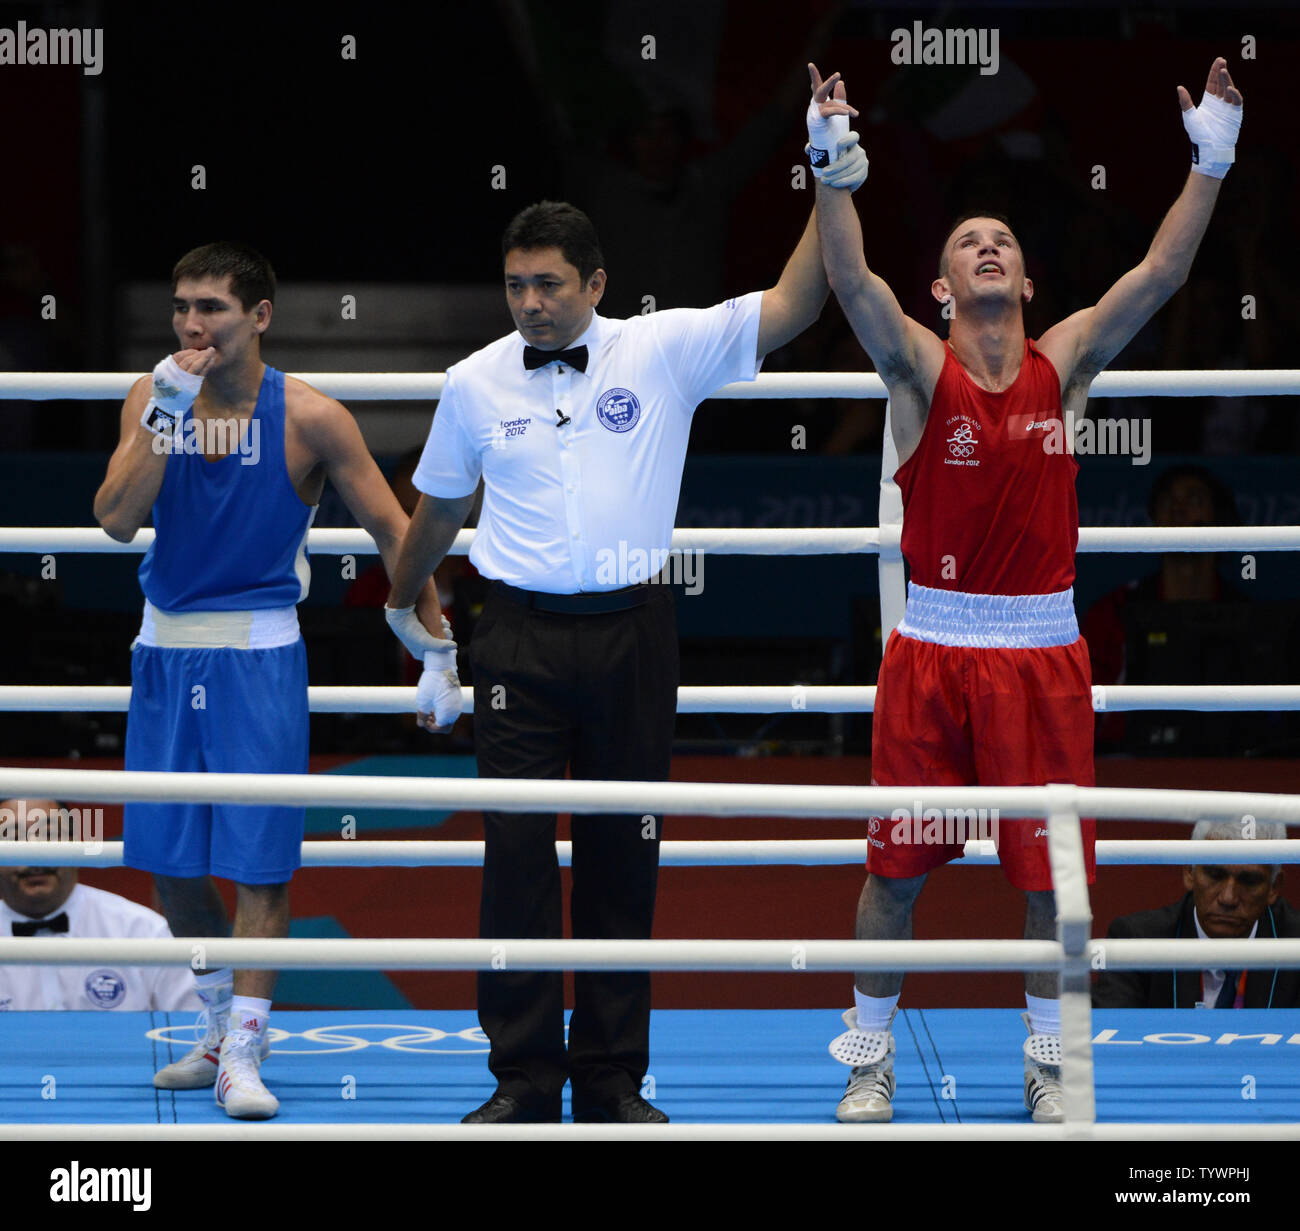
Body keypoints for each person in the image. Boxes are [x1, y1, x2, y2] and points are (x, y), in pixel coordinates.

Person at [813, 57, 1244, 1122]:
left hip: (1042, 653)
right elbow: (851, 285)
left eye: (1002, 239)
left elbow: (1162, 272)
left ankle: (1049, 1061)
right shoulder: (918, 367)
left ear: (1029, 280)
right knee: (896, 872)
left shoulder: (1069, 360)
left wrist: (1212, 158)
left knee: (1049, 883)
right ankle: (867, 1057)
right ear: (944, 287)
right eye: (968, 242)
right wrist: (831, 168)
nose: (989, 246)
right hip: (934, 651)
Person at [384, 141, 847, 1122]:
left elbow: (797, 302)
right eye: (515, 286)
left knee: (620, 858)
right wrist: (404, 604)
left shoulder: (662, 346)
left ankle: (608, 1081)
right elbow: (435, 510)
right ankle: (519, 1082)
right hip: (512, 632)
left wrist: (826, 172)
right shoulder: (473, 381)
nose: (531, 304)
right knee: (512, 860)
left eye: (548, 285)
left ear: (597, 283)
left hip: (634, 633)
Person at [92, 242, 447, 1119]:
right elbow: (111, 520)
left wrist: (436, 644)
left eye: (210, 306)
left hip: (258, 657)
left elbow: (396, 530)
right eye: (180, 306)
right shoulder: (152, 394)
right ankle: (219, 1029)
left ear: (259, 315)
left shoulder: (313, 417)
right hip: (164, 650)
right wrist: (161, 420)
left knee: (259, 867)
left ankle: (246, 1054)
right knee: (172, 870)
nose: (190, 324)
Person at [0, 797, 198, 1012]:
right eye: (14, 838)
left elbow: (189, 1029)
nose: (34, 859)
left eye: (50, 835)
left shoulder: (144, 930)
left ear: (76, 843)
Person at [1094, 821, 1299, 1009]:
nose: (1228, 898)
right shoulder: (1135, 941)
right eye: (1215, 875)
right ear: (1189, 872)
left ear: (1274, 887)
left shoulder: (1295, 944)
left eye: (1249, 881)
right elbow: (1106, 1040)